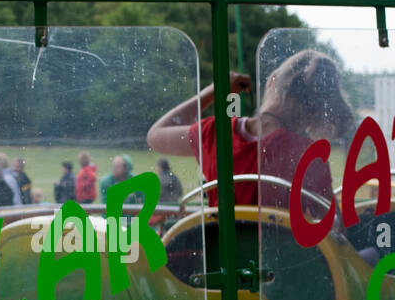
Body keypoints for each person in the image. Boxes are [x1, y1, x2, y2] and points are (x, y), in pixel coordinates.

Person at [147, 49, 355, 210]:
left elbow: (155, 136)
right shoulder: (309, 156)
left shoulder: (216, 133)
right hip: (282, 265)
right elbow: (334, 230)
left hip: (224, 261)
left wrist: (215, 90)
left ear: (272, 81)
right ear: (315, 109)